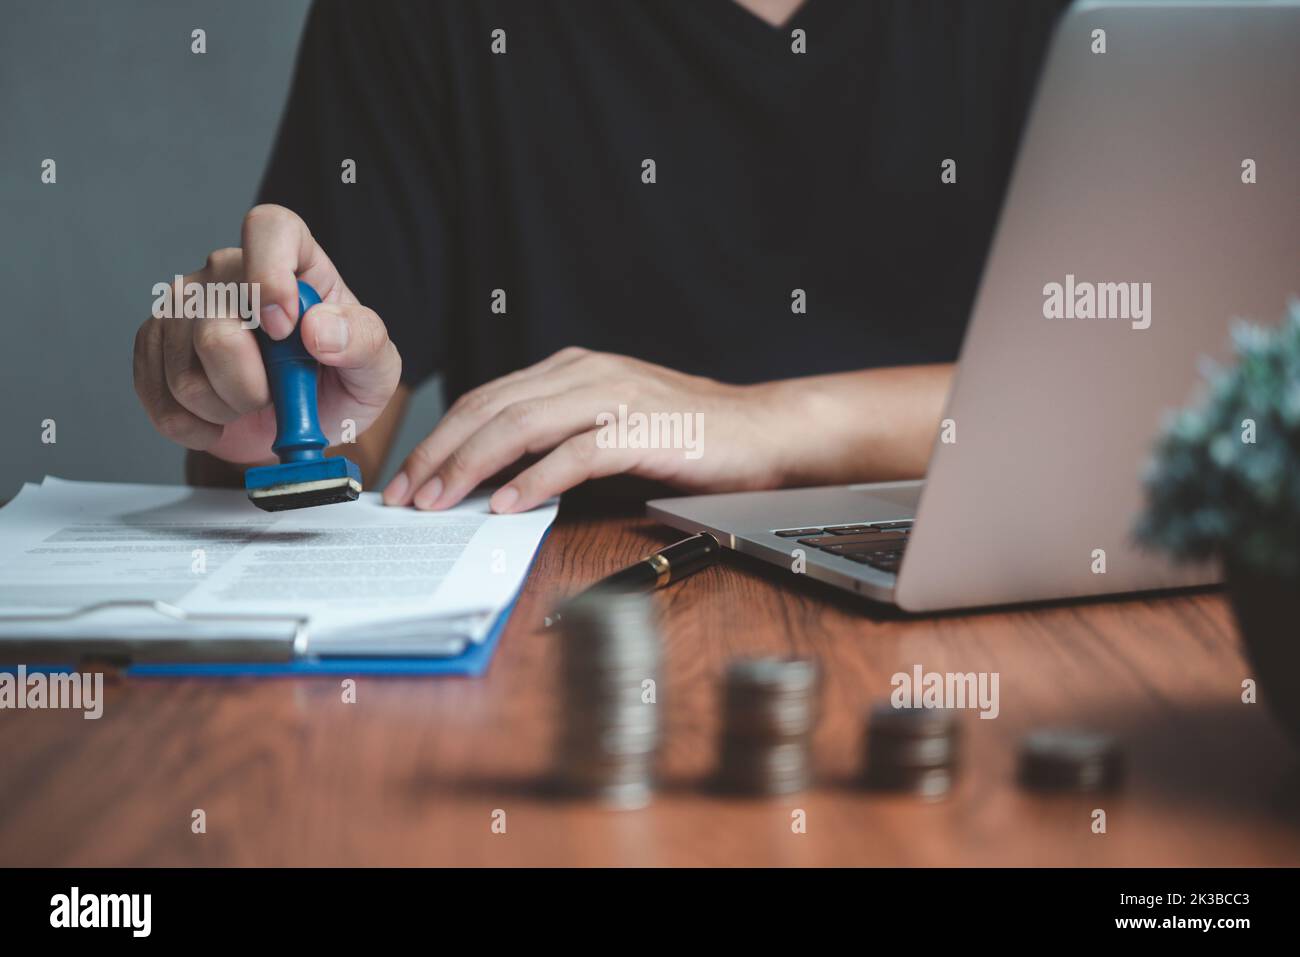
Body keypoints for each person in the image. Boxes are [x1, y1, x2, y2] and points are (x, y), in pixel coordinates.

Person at [132, 0, 1068, 514]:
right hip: (552, 640)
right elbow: (330, 429)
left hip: (992, 585)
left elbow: (1162, 400)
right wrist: (258, 404)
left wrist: (763, 426)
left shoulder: (1068, 21)